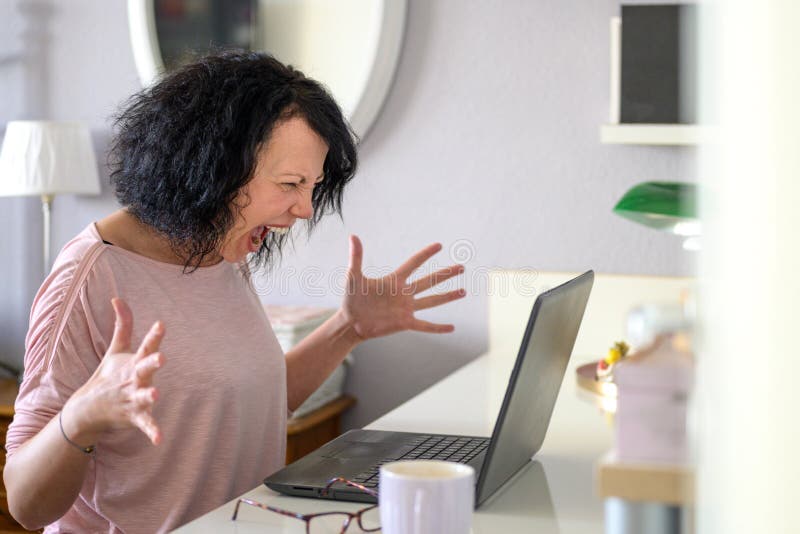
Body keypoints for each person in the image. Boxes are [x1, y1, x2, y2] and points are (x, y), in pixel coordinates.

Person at [3, 51, 464, 533]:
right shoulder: (91, 277)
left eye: (313, 186)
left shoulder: (217, 249)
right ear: (211, 167)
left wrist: (348, 328)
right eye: (290, 183)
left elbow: (249, 401)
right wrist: (79, 419)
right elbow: (25, 504)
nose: (305, 209)